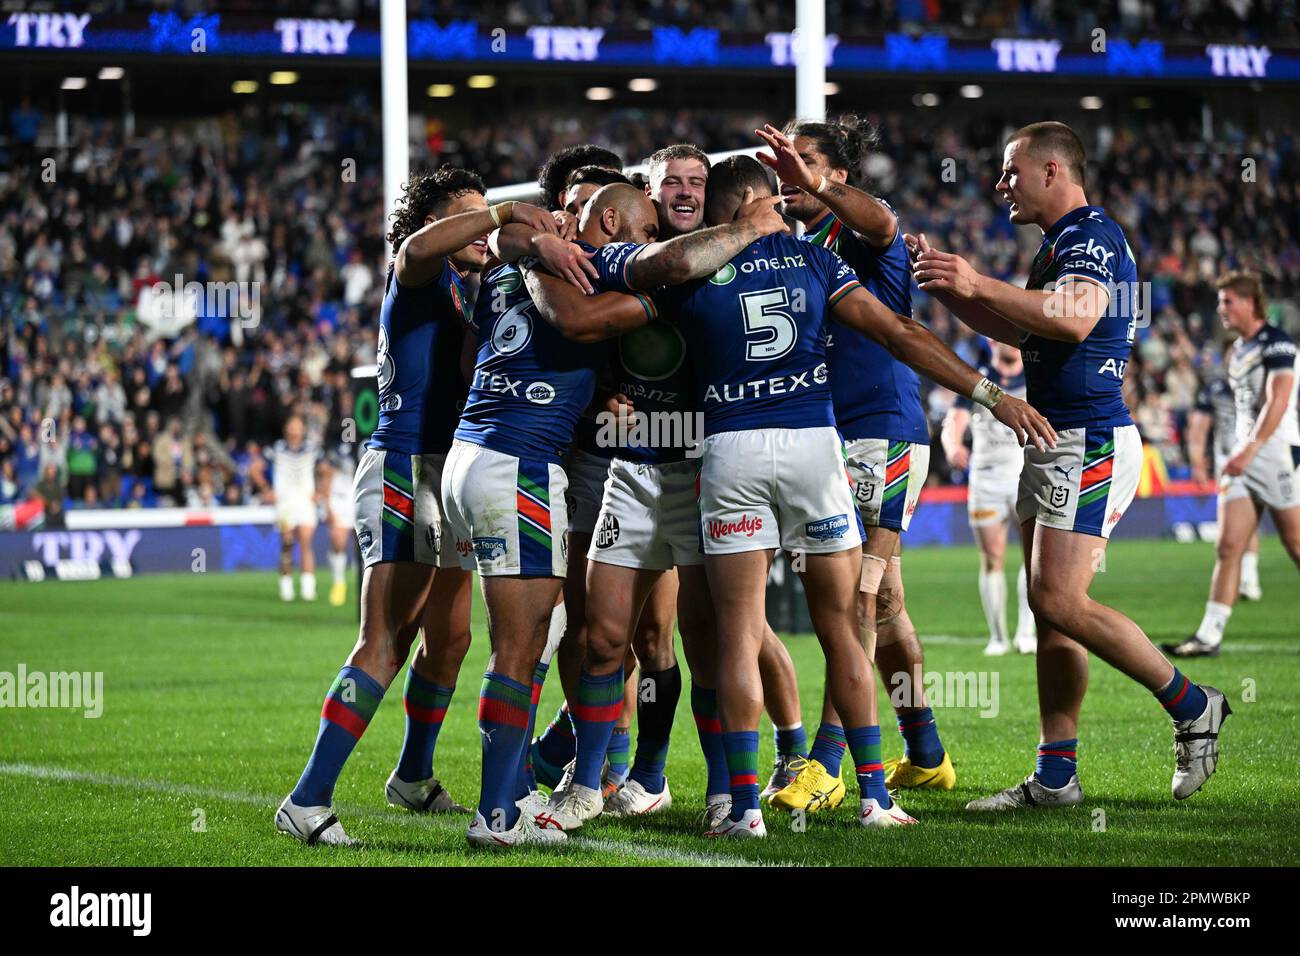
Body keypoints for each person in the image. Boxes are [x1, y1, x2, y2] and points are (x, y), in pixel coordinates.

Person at [604, 155, 1054, 837]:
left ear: (721, 208)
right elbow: (900, 332)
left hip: (731, 453)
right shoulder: (816, 262)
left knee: (735, 635)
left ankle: (745, 808)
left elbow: (644, 290)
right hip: (816, 448)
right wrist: (989, 394)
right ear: (757, 203)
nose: (785, 209)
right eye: (775, 202)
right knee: (845, 628)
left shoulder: (691, 269)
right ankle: (875, 797)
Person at [447, 181, 784, 847]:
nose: (674, 209)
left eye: (693, 188)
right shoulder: (599, 267)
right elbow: (527, 260)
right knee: (602, 640)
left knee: (711, 643)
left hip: (700, 471)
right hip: (627, 470)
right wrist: (538, 238)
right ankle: (585, 785)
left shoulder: (693, 268)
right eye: (663, 200)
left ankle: (731, 792)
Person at [908, 121, 1230, 808]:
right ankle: (1056, 777)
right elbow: (1028, 326)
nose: (1000, 185)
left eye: (1009, 171)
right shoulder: (1064, 243)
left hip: (1088, 439)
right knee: (1051, 612)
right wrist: (952, 289)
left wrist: (975, 279)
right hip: (1059, 440)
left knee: (1057, 600)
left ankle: (1192, 702)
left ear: (1051, 170)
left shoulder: (1089, 236)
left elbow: (1075, 318)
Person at [274, 167, 556, 845]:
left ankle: (413, 775)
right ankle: (305, 801)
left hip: (452, 473)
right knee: (385, 641)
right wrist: (498, 213)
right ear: (433, 224)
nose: (479, 223)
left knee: (452, 639)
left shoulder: (471, 295)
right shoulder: (416, 272)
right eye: (463, 213)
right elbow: (420, 247)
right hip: (404, 467)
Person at [754, 117, 956, 808]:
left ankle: (829, 765)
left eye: (808, 163)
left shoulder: (859, 232)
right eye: (787, 165)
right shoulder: (798, 244)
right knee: (886, 599)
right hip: (833, 435)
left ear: (837, 175)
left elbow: (882, 221)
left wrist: (816, 184)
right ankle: (925, 752)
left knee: (858, 598)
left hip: (884, 432)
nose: (792, 174)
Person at [1167, 272, 1299, 656]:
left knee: (1295, 542)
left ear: (1249, 303)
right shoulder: (1238, 349)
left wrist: (1251, 448)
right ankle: (1209, 635)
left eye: (1227, 301)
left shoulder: (1278, 344)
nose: (1221, 309)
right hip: (1244, 455)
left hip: (1274, 452)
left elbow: (1279, 401)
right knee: (1228, 546)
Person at [941, 340, 1037, 655]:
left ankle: (1027, 632)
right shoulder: (977, 379)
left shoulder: (1036, 377)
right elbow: (953, 421)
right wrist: (952, 446)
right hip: (987, 480)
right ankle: (998, 637)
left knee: (1033, 559)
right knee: (992, 559)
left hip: (1028, 475)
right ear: (991, 340)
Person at [1185, 359, 1262, 602]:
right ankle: (1248, 579)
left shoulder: (1261, 386)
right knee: (1236, 526)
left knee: (1287, 534)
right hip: (1227, 465)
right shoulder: (1215, 390)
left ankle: (1248, 579)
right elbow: (1198, 428)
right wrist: (1197, 463)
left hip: (1260, 461)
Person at [269, 414, 323, 603]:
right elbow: (255, 468)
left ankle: (309, 588)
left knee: (306, 543)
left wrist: (320, 491)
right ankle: (286, 586)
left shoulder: (312, 449)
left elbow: (325, 469)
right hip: (284, 503)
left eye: (298, 426)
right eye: (291, 425)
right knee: (287, 543)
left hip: (305, 502)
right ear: (286, 428)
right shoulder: (276, 449)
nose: (294, 429)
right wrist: (267, 490)